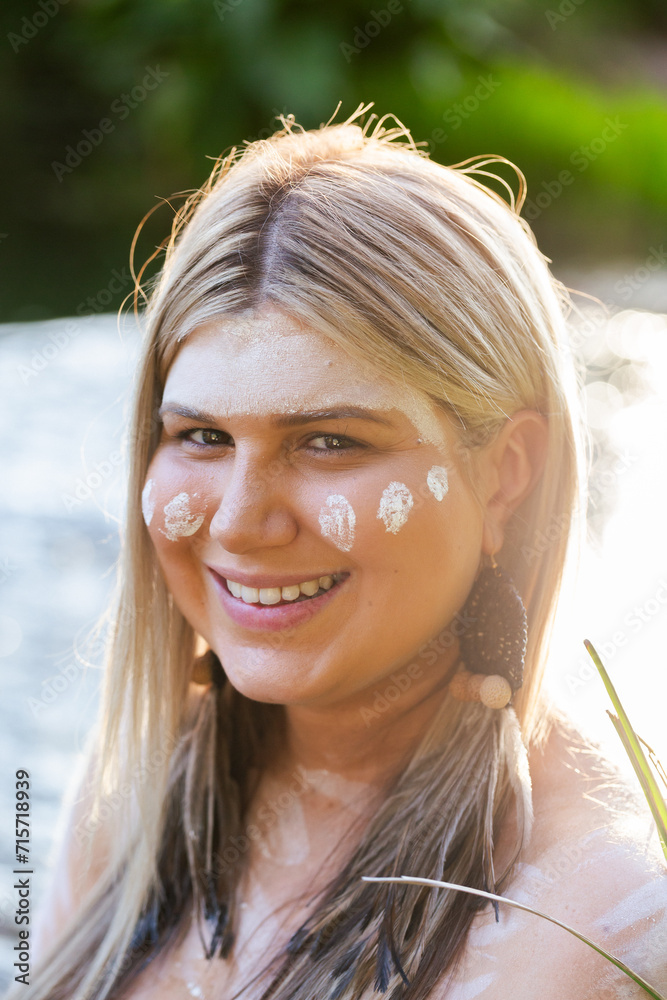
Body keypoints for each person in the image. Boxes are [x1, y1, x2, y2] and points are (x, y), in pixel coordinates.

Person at [23, 109, 667, 1000]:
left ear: (506, 476)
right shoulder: (136, 780)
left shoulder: (603, 919)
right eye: (203, 435)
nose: (243, 522)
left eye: (329, 441)